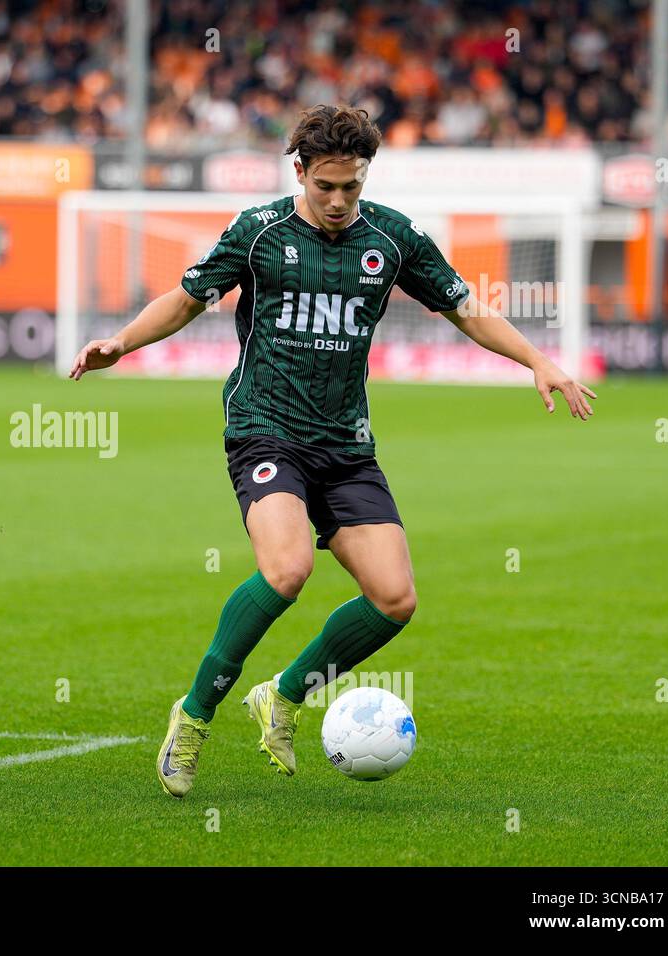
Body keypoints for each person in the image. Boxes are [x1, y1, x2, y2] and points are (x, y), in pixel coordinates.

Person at [70, 104, 597, 798]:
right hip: (265, 429)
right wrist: (122, 342)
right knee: (286, 570)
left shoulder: (394, 238)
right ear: (300, 173)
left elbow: (465, 308)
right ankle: (195, 714)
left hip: (346, 446)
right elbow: (188, 297)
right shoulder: (258, 233)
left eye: (351, 186)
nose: (340, 200)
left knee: (394, 599)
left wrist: (539, 359)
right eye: (326, 187)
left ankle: (282, 696)